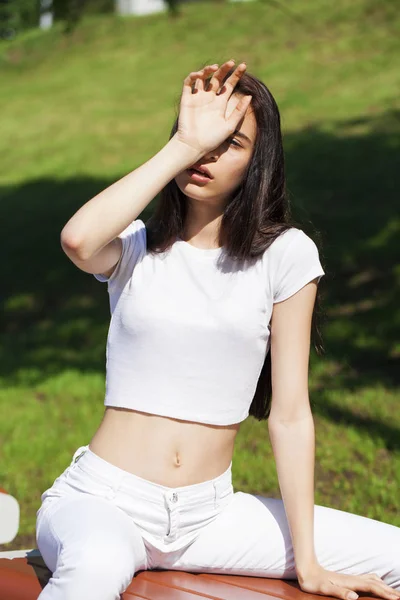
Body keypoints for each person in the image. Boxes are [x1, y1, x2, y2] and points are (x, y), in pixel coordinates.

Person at [35, 60, 400, 600]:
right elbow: (78, 241)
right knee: (93, 569)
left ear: (258, 163)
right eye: (199, 138)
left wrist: (310, 561)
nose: (207, 155)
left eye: (230, 143)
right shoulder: (136, 247)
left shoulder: (286, 255)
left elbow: (292, 413)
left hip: (210, 516)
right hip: (103, 502)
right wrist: (184, 144)